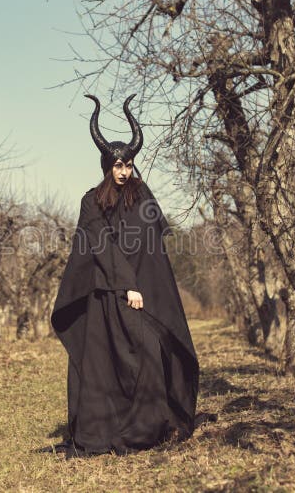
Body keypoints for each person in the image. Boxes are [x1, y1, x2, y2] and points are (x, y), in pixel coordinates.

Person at [49, 94, 200, 458]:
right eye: (117, 165)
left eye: (128, 164)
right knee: (103, 365)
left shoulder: (141, 195)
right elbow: (99, 244)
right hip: (105, 295)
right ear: (106, 165)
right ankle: (103, 431)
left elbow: (151, 244)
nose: (123, 171)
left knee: (149, 353)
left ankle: (147, 429)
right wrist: (127, 283)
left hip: (138, 296)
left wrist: (141, 286)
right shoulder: (91, 200)